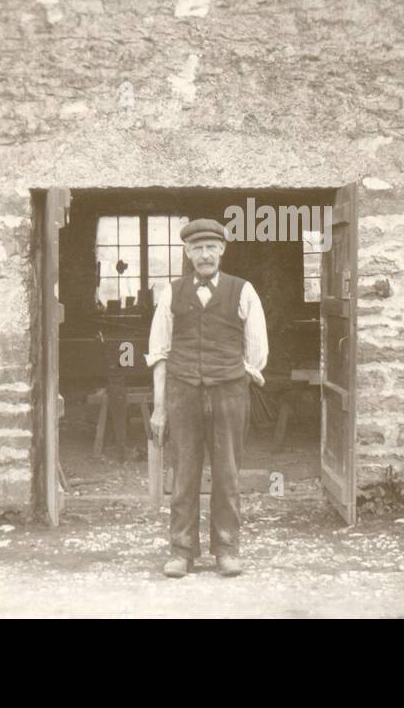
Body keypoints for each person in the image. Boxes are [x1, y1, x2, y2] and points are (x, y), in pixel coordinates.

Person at [145, 218, 268, 578]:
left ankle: (227, 549)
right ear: (187, 253)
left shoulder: (242, 291)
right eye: (197, 249)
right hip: (182, 393)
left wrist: (231, 375)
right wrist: (159, 407)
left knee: (227, 472)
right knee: (184, 473)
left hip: (229, 393)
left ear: (222, 250)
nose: (205, 255)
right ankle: (182, 552)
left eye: (211, 248)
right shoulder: (172, 292)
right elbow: (159, 351)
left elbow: (257, 352)